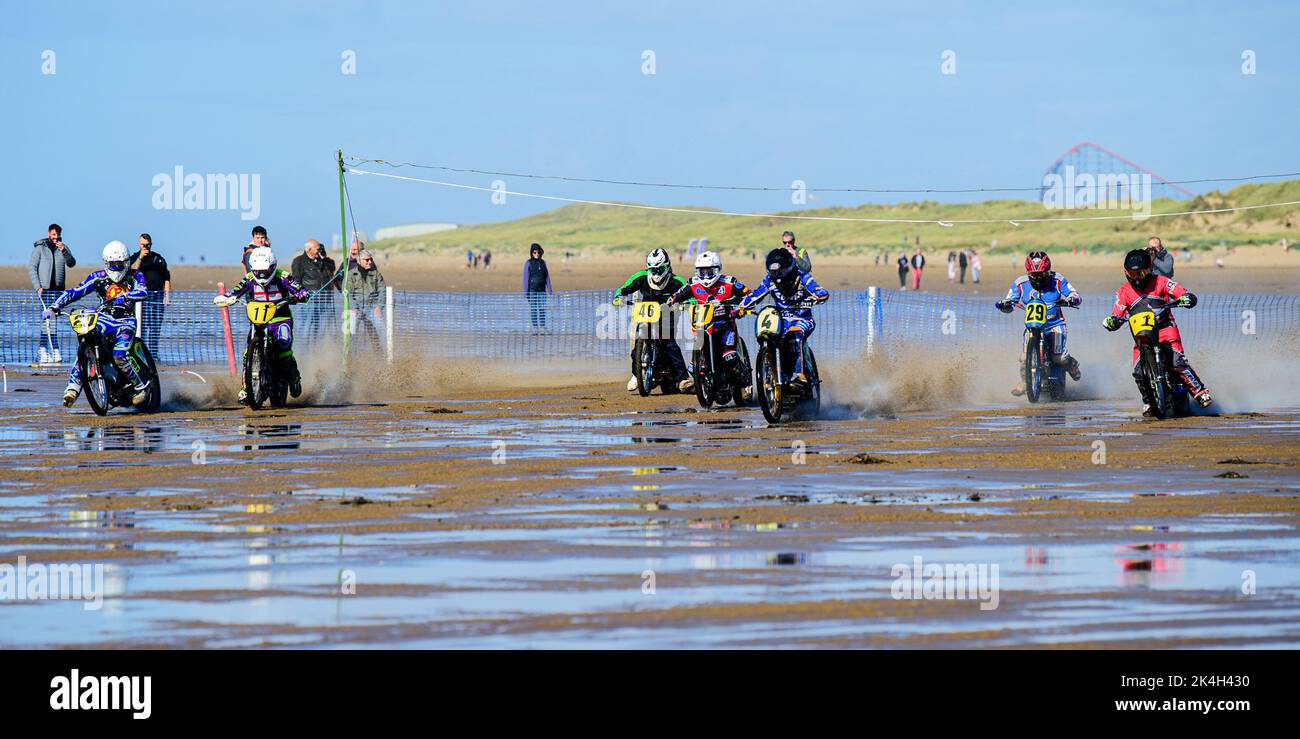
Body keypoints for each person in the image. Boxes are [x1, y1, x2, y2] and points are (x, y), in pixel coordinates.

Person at [1103, 249, 1212, 413]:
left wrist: (1186, 297)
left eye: (1141, 273)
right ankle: (1148, 401)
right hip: (1142, 337)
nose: (1137, 277)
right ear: (1126, 272)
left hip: (1165, 329)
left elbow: (1181, 292)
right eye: (1132, 274)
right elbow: (1116, 314)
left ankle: (1200, 392)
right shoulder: (1123, 291)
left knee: (1177, 362)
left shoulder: (1161, 281)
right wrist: (1112, 321)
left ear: (1149, 269)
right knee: (1139, 372)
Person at [43, 241, 149, 407]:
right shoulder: (98, 277)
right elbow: (75, 291)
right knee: (85, 347)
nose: (116, 268)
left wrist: (127, 296)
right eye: (112, 265)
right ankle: (72, 387)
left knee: (120, 354)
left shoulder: (135, 275)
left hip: (125, 322)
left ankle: (140, 386)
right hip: (102, 319)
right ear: (106, 263)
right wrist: (54, 306)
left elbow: (143, 291)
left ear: (127, 262)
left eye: (119, 264)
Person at [213, 247, 309, 404]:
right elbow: (236, 291)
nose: (261, 275)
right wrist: (226, 298)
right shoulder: (249, 278)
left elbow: (301, 289)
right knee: (246, 354)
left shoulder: (283, 276)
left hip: (280, 318)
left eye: (265, 271)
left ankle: (293, 377)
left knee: (284, 350)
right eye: (258, 271)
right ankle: (245, 389)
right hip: (258, 319)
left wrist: (300, 295)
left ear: (272, 266)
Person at [665, 251, 752, 401]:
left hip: (725, 327)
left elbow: (748, 294)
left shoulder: (729, 282)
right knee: (694, 367)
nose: (706, 276)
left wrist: (741, 307)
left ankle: (746, 385)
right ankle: (707, 385)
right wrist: (669, 304)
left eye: (709, 272)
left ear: (718, 269)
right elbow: (675, 297)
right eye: (702, 272)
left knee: (729, 357)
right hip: (702, 329)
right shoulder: (693, 284)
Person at [737, 248, 829, 387]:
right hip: (781, 320)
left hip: (802, 319)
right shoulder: (769, 280)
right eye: (773, 271)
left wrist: (816, 297)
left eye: (780, 271)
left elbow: (819, 290)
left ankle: (800, 375)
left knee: (795, 336)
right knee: (767, 337)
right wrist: (741, 308)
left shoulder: (802, 276)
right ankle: (771, 372)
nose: (778, 274)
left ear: (789, 266)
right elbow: (756, 295)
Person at [995, 251, 1083, 396]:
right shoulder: (1020, 283)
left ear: (1048, 272)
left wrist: (1071, 299)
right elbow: (1010, 302)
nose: (1037, 278)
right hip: (1032, 326)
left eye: (1041, 274)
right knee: (1024, 358)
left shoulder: (1058, 280)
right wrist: (1004, 305)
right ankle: (1025, 382)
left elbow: (1075, 295)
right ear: (1028, 273)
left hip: (1055, 325)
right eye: (1033, 275)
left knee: (1058, 357)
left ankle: (1071, 364)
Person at [612, 248, 692, 392]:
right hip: (645, 316)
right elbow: (623, 289)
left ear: (667, 266)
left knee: (670, 346)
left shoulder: (676, 281)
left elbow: (690, 295)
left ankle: (683, 379)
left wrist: (688, 304)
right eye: (653, 270)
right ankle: (636, 375)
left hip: (667, 317)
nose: (656, 274)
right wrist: (619, 298)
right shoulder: (641, 277)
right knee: (637, 347)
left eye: (660, 269)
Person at [30, 224, 78, 364]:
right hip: (44, 290)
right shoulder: (40, 248)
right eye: (53, 234)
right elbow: (32, 267)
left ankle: (53, 349)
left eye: (57, 235)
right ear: (49, 234)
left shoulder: (62, 247)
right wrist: (37, 286)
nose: (55, 237)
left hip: (58, 290)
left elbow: (72, 263)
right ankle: (43, 350)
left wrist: (64, 251)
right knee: (46, 320)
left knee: (54, 321)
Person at [127, 233, 171, 362]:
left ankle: (153, 354)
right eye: (143, 245)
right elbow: (131, 272)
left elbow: (166, 278)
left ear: (151, 243)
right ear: (139, 244)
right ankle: (140, 353)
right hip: (141, 299)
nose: (145, 247)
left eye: (147, 244)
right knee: (141, 326)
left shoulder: (158, 259)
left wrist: (167, 296)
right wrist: (140, 257)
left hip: (157, 297)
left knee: (155, 326)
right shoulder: (135, 257)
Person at [291, 239, 339, 341]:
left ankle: (317, 350)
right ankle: (305, 352)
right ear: (309, 250)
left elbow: (332, 268)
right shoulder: (298, 261)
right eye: (317, 249)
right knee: (307, 327)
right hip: (309, 299)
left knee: (322, 328)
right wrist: (302, 295)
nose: (319, 251)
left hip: (325, 299)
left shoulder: (324, 261)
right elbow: (296, 280)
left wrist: (324, 258)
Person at [348, 249, 386, 355]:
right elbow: (347, 292)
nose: (370, 262)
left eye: (371, 259)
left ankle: (383, 354)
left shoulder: (375, 274)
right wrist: (353, 307)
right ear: (359, 260)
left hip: (372, 307)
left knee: (381, 329)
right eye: (367, 260)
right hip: (356, 307)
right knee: (351, 331)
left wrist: (379, 306)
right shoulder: (351, 274)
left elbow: (382, 290)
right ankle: (351, 355)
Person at [523, 243, 553, 334]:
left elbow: (547, 276)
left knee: (542, 308)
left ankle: (543, 327)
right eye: (534, 252)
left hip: (542, 290)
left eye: (538, 252)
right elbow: (525, 277)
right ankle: (535, 328)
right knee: (533, 309)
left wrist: (550, 289)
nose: (537, 254)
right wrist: (526, 292)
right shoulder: (528, 263)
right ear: (531, 253)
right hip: (532, 290)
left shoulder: (543, 263)